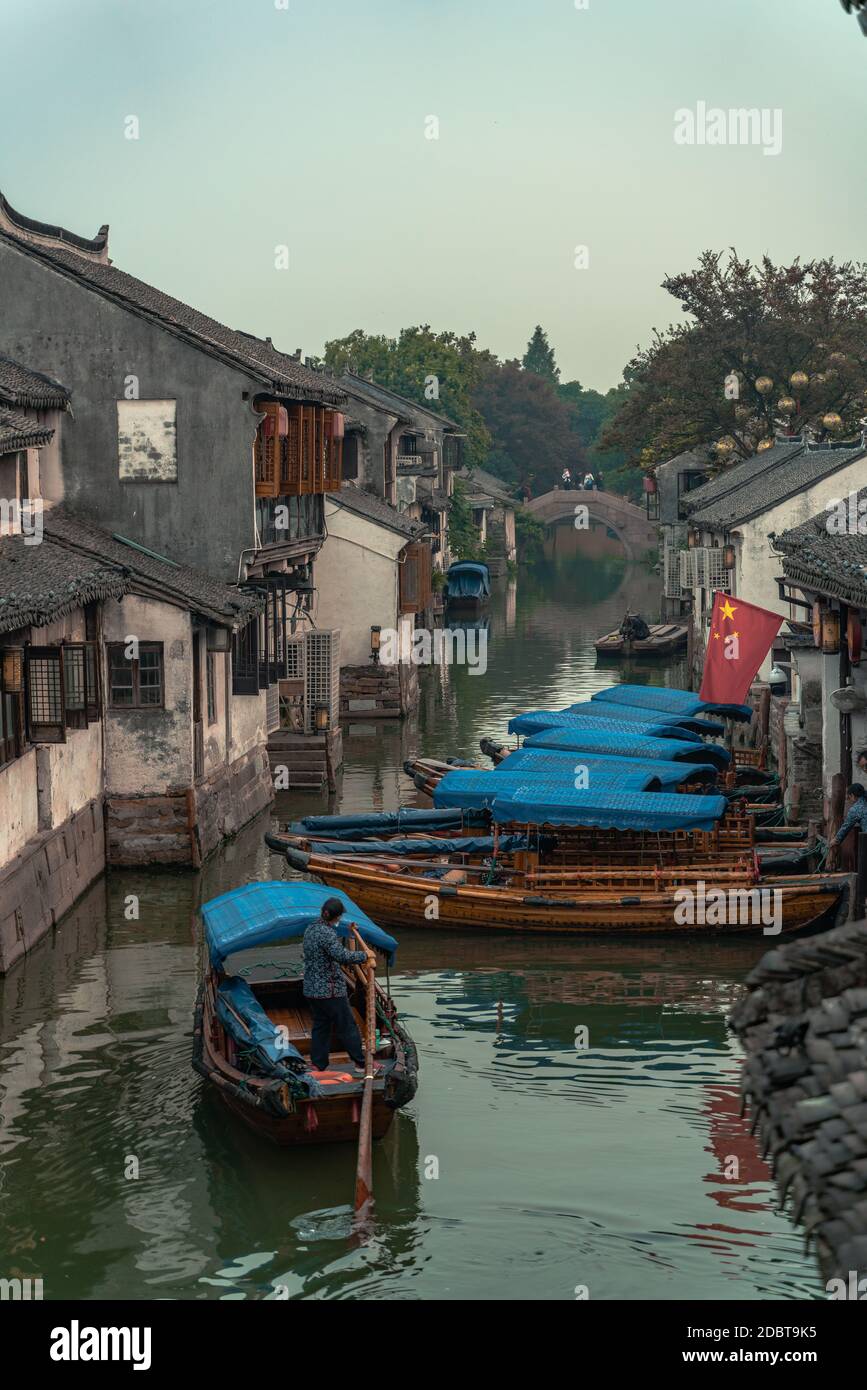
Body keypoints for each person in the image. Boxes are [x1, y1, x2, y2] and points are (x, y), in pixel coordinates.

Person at [302, 897, 376, 1073]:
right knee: (347, 1025)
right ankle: (361, 1063)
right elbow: (342, 956)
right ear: (335, 917)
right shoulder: (326, 934)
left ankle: (318, 1064)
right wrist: (365, 955)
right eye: (339, 917)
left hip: (312, 990)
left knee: (321, 1025)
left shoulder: (311, 928)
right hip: (330, 990)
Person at [826, 784, 867, 868]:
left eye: (849, 797)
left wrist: (835, 840)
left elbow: (846, 827)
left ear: (852, 795)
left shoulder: (856, 808)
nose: (849, 800)